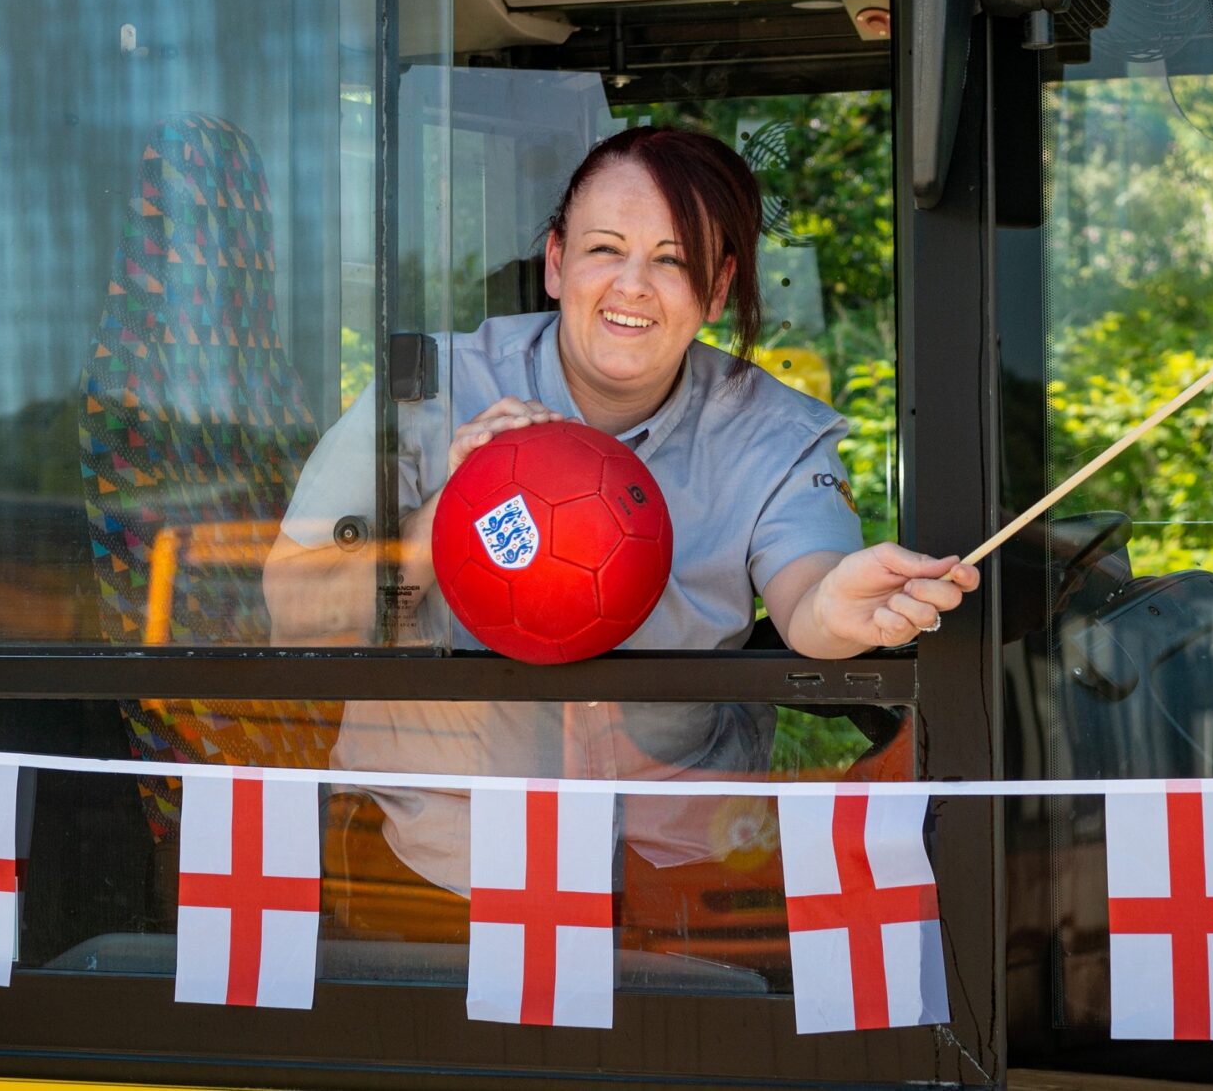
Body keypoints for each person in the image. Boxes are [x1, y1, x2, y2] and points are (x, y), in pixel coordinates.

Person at [263, 124, 976, 891]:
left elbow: (811, 596)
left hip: (679, 877)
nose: (633, 284)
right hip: (425, 869)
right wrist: (449, 514)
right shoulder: (428, 393)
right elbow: (294, 613)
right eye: (605, 249)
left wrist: (840, 610)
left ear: (718, 287)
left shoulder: (773, 434)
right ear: (557, 262)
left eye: (674, 260)